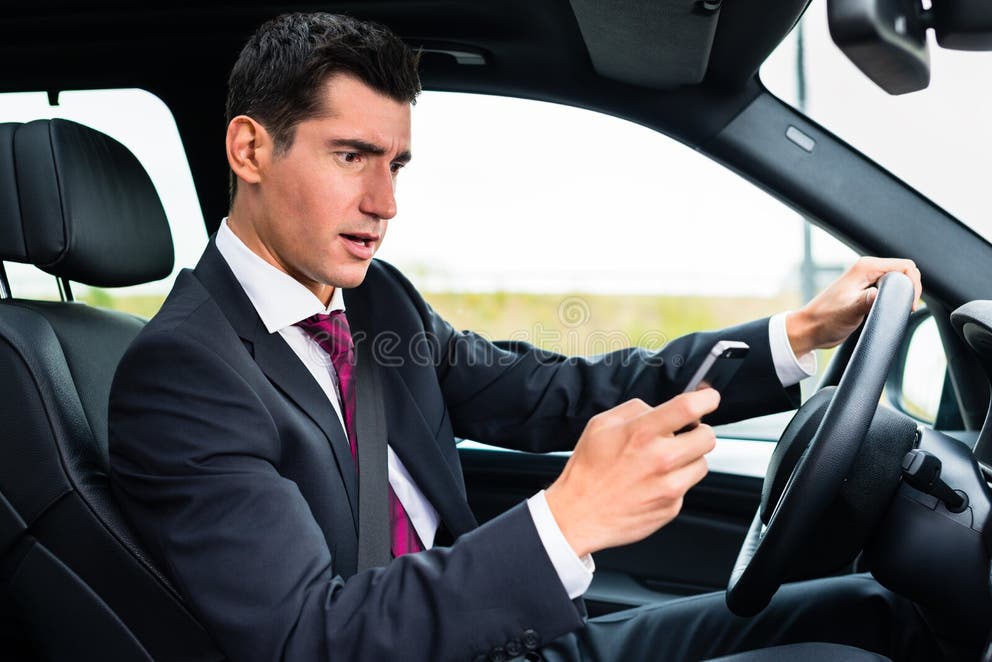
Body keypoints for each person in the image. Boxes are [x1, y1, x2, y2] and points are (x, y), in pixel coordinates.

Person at [108, 12, 933, 662]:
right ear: (250, 149)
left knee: (870, 613)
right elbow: (309, 639)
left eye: (395, 165)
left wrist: (794, 334)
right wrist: (567, 520)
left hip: (515, 639)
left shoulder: (374, 303)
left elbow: (552, 395)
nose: (384, 203)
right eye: (352, 156)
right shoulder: (184, 373)